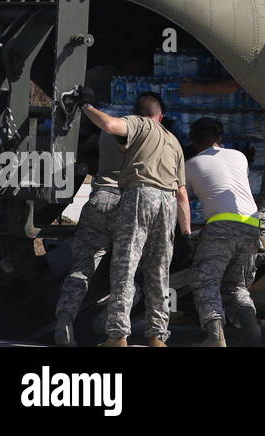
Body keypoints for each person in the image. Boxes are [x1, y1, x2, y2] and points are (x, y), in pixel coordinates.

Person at [78, 89, 190, 347]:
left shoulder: (139, 124)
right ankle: (157, 336)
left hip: (140, 195)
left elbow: (109, 124)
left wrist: (86, 106)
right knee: (159, 272)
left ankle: (117, 336)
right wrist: (186, 235)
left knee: (125, 266)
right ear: (160, 116)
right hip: (168, 203)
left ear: (141, 113)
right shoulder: (173, 141)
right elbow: (182, 194)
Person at [184, 117, 263, 347]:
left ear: (194, 142)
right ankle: (250, 323)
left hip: (221, 226)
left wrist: (185, 235)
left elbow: (182, 199)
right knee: (236, 285)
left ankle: (215, 337)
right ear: (220, 137)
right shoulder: (239, 156)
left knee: (205, 281)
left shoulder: (190, 164)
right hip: (251, 225)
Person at [53, 128, 121, 346]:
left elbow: (81, 153)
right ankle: (106, 322)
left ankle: (64, 322)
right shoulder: (148, 136)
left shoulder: (105, 133)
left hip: (98, 200)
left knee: (81, 268)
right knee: (128, 273)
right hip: (127, 203)